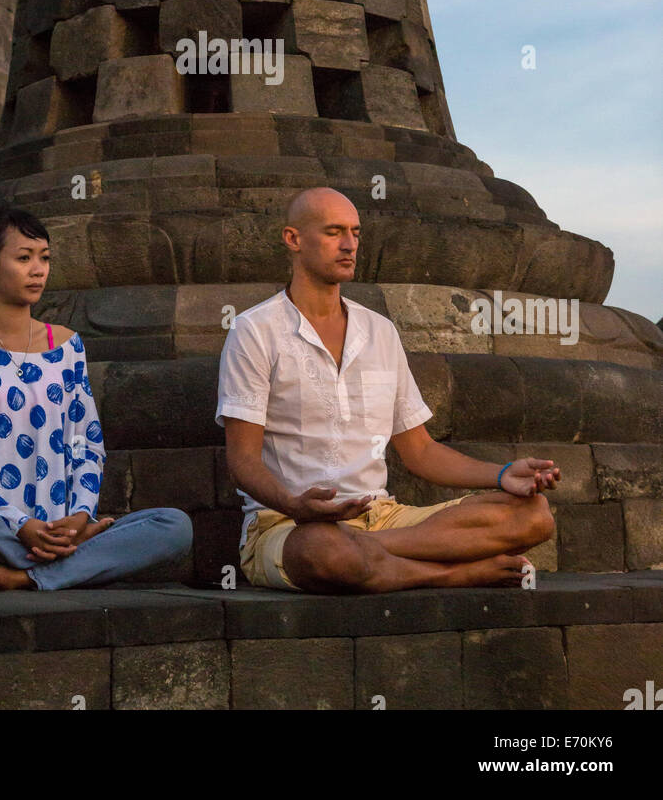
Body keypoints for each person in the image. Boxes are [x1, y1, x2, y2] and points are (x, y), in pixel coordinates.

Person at [216, 187, 558, 593]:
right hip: (290, 525)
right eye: (333, 232)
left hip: (383, 518)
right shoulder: (255, 331)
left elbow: (422, 451)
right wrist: (295, 506)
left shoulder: (379, 331)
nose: (349, 245)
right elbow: (241, 459)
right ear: (293, 239)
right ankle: (455, 573)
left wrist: (503, 474)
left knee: (533, 515)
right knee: (324, 551)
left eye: (355, 233)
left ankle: (370, 551)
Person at [0, 206, 192, 591]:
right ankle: (63, 563)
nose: (38, 269)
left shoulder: (67, 344)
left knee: (174, 526)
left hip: (61, 528)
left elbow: (87, 445)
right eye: (23, 258)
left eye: (44, 258)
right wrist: (21, 525)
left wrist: (78, 516)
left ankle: (22, 577)